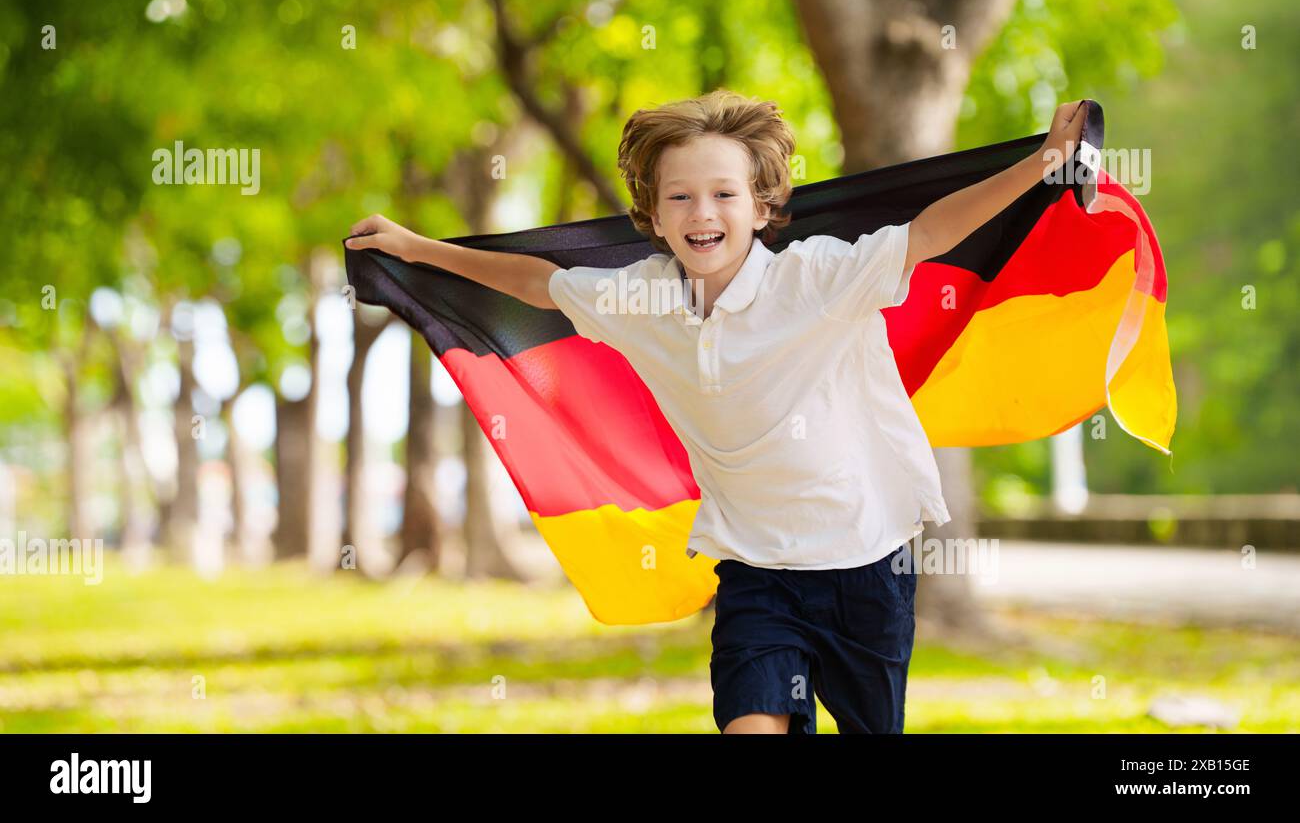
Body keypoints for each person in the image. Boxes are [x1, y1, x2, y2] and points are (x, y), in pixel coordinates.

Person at [346, 89, 1087, 734]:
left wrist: (1044, 161)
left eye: (725, 195)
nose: (703, 213)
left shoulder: (817, 279)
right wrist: (419, 249)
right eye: (681, 198)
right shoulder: (639, 298)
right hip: (757, 572)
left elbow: (927, 233)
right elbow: (540, 284)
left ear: (762, 207)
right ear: (654, 216)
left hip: (865, 565)